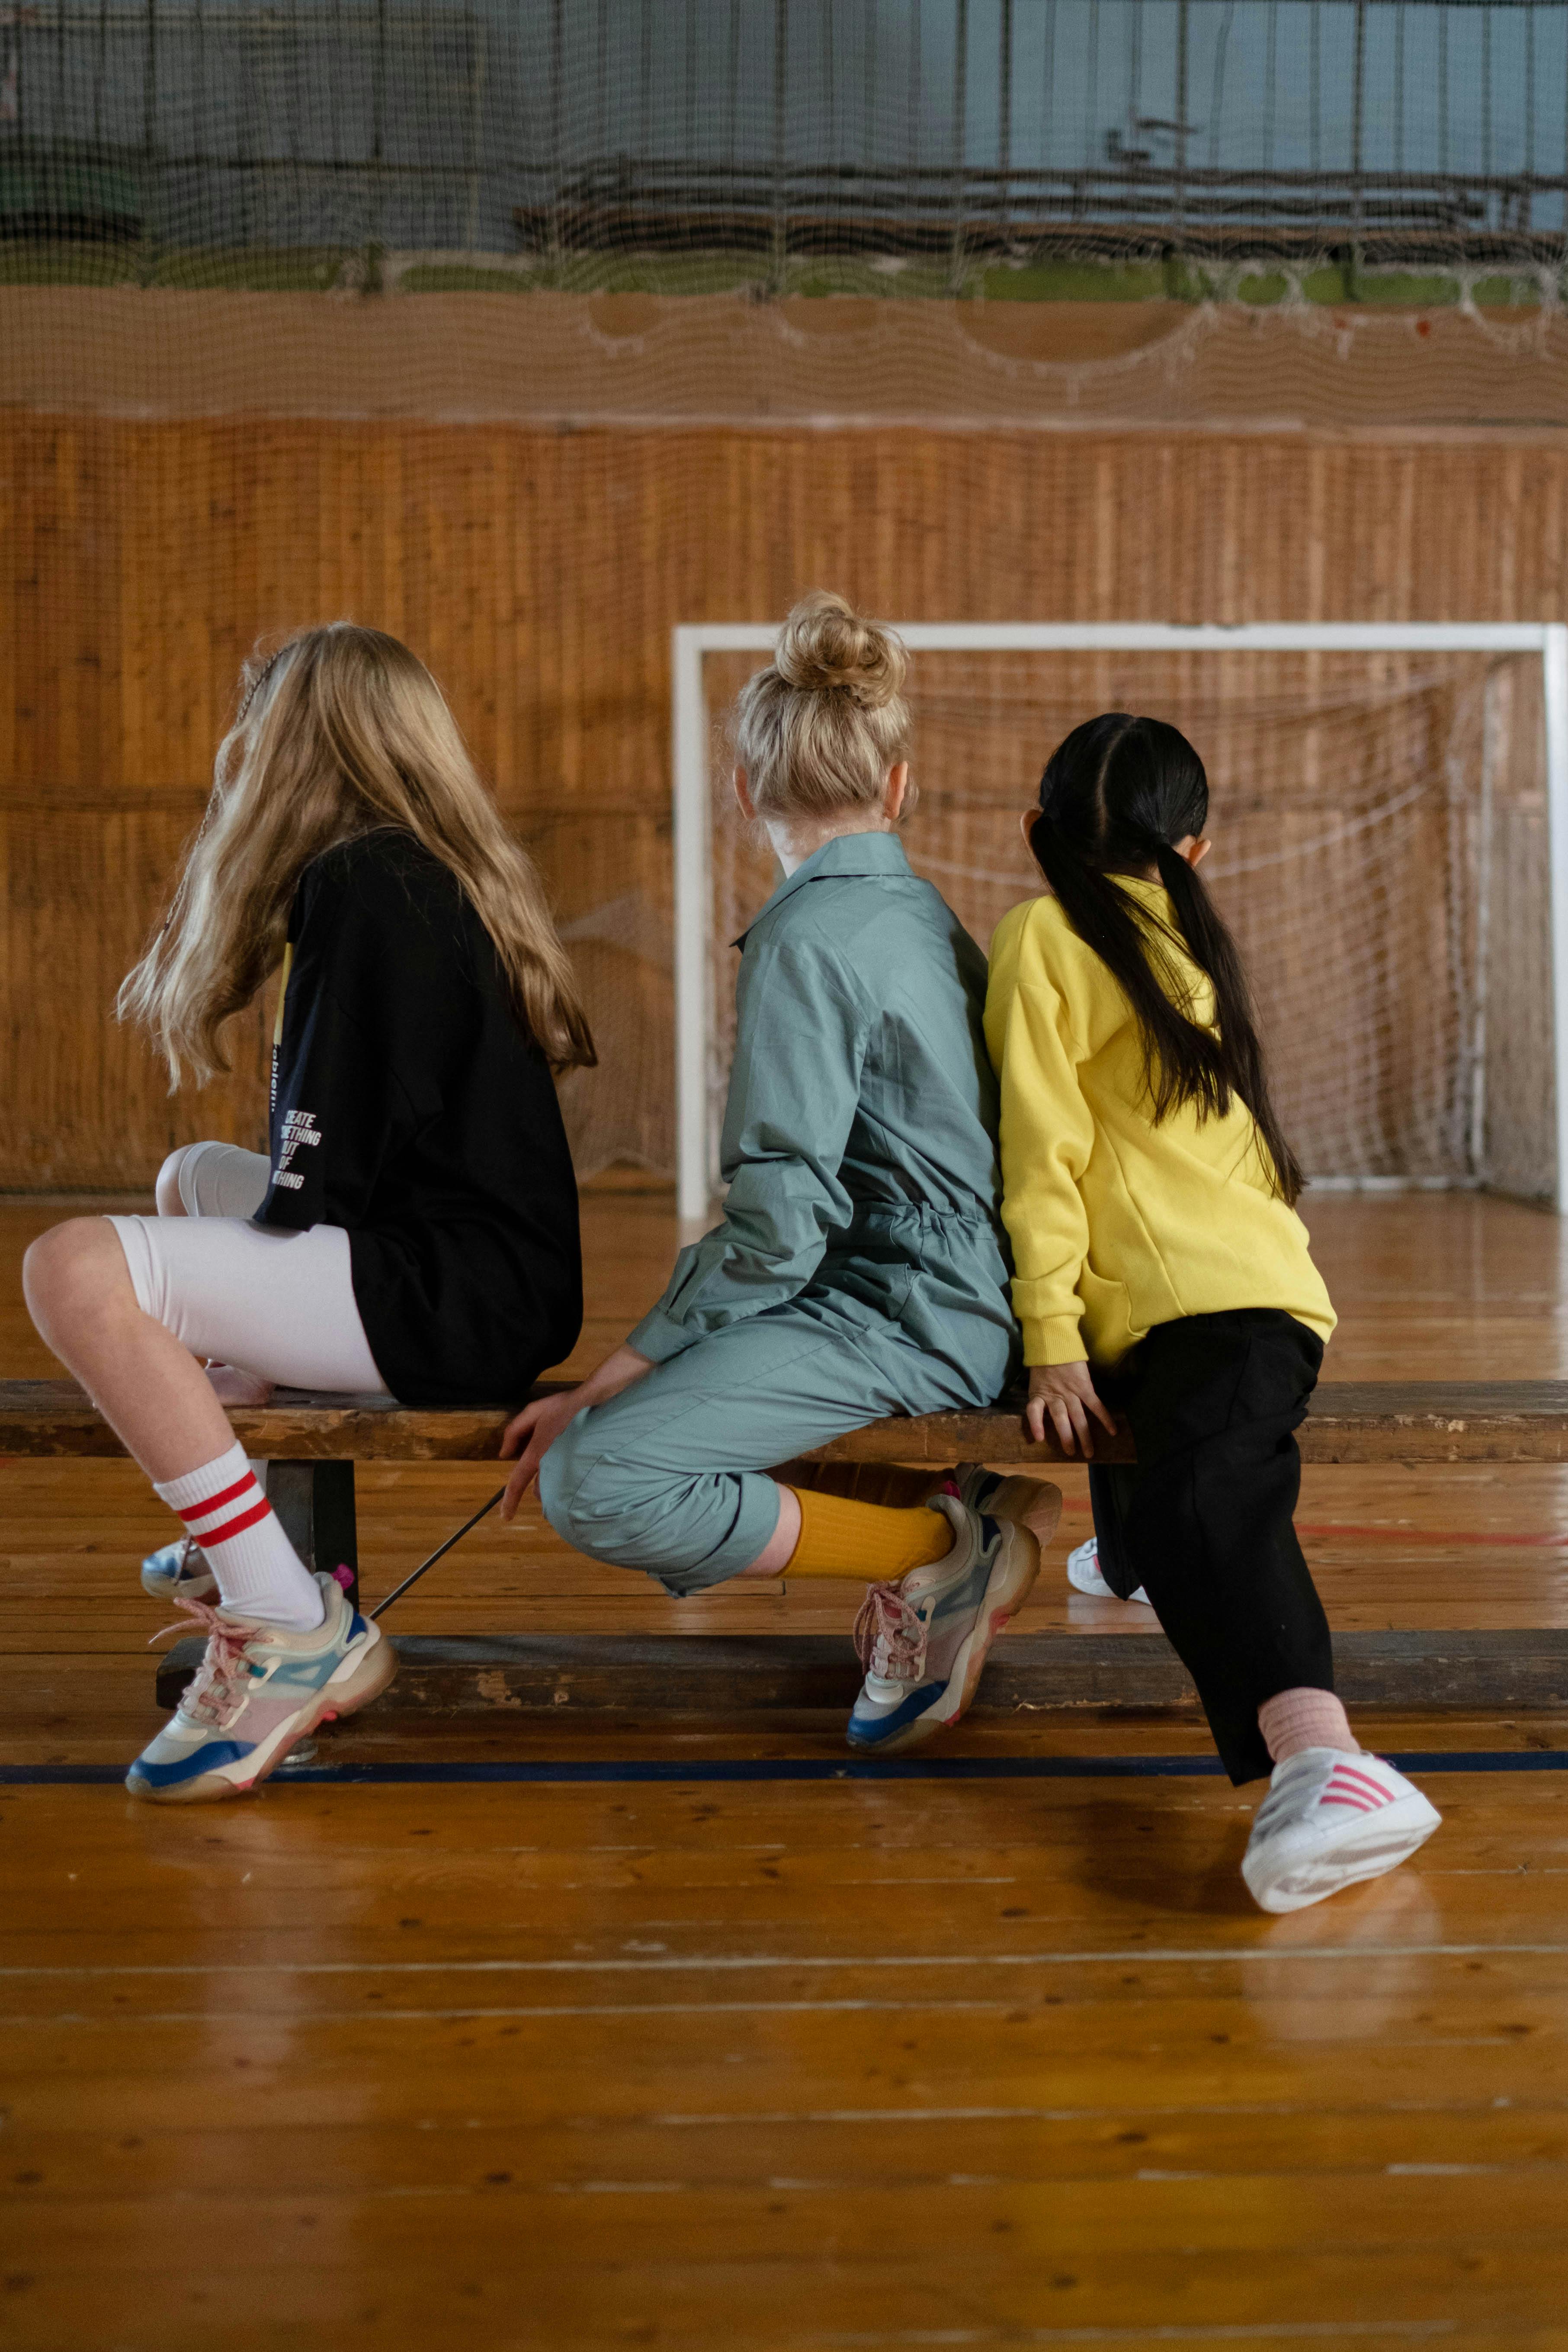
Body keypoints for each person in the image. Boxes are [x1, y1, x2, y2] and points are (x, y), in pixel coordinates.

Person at [23, 624, 592, 1803]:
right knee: (189, 1176)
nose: (237, 746)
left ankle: (288, 1618)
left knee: (73, 1270)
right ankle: (230, 1493)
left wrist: (236, 1322)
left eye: (255, 722)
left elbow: (317, 1165)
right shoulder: (405, 865)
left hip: (447, 1297)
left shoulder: (366, 879)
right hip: (476, 1275)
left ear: (297, 743)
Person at [500, 591, 1059, 1752]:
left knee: (595, 1482)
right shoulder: (917, 906)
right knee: (673, 1407)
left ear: (746, 793)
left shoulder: (808, 940)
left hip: (914, 1312)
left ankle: (945, 1560)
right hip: (932, 1290)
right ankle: (946, 1540)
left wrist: (616, 1372)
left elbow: (778, 1225)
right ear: (896, 787)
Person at [985, 711, 1441, 1913]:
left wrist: (1045, 1337)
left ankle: (1327, 1762)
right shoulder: (1181, 951)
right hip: (1236, 1305)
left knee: (1209, 1496)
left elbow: (1038, 1154)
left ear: (1036, 831)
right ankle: (1124, 1553)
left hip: (1222, 1311)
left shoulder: (1042, 932)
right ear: (1189, 851)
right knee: (1160, 1472)